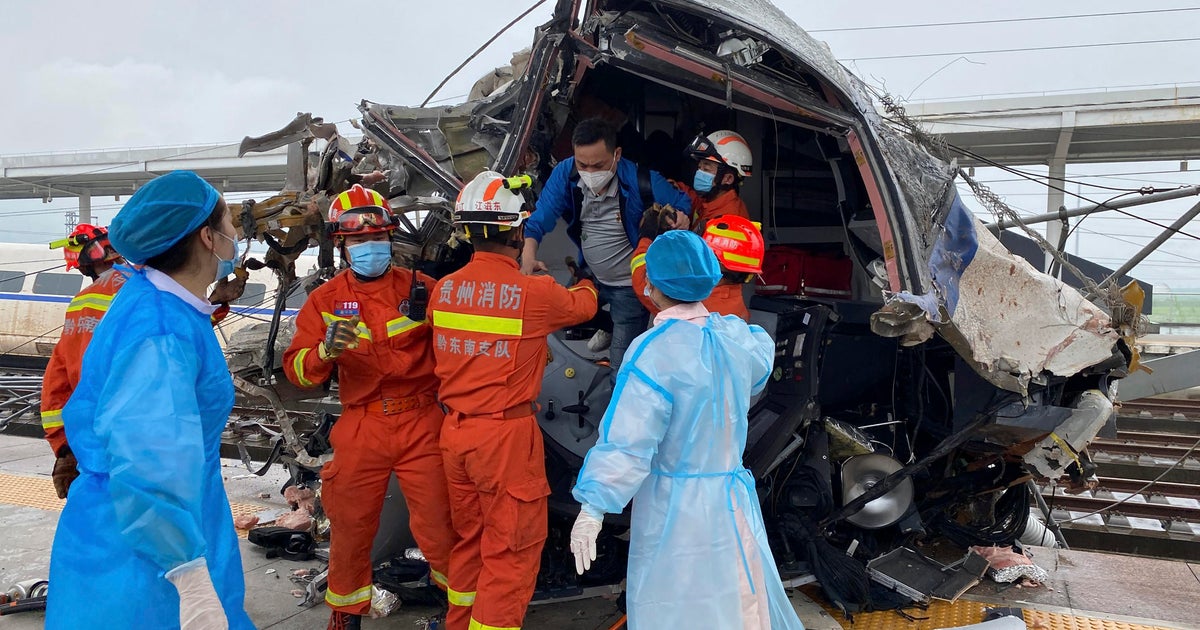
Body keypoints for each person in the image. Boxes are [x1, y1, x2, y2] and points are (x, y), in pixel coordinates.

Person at [46, 171, 254, 629]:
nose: (236, 234)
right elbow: (146, 459)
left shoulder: (160, 303)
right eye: (228, 223)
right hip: (147, 553)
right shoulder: (161, 328)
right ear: (207, 237)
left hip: (155, 525)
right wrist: (189, 574)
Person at [568, 230, 803, 630]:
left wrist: (593, 506)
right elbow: (758, 369)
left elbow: (628, 442)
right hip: (730, 504)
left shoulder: (653, 352)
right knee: (736, 606)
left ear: (650, 285)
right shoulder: (738, 338)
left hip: (673, 510)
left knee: (677, 608)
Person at [282, 184, 453, 630]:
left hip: (422, 420)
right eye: (359, 240)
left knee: (441, 526)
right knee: (352, 529)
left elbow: (459, 346)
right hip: (364, 423)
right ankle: (346, 616)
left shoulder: (424, 289)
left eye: (377, 239)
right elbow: (297, 373)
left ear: (390, 240)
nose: (369, 247)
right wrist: (323, 352)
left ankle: (459, 611)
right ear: (342, 245)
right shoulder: (324, 301)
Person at [432, 172, 598, 630]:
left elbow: (485, 312)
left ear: (468, 230)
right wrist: (582, 278)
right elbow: (583, 307)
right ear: (519, 230)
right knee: (513, 550)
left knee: (470, 540)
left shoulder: (443, 290)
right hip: (504, 439)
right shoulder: (536, 293)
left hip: (456, 434)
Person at [41, 225, 246, 500]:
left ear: (85, 265)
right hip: (148, 440)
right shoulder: (148, 286)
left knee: (105, 522)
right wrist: (214, 303)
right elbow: (173, 340)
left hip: (93, 439)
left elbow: (56, 379)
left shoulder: (81, 302)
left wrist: (64, 449)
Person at [521, 116, 690, 373]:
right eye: (583, 165)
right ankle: (609, 326)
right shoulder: (565, 174)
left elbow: (683, 203)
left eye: (598, 165)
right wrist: (528, 255)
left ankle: (615, 400)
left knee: (622, 366)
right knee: (556, 317)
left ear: (617, 154)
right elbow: (539, 218)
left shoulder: (643, 181)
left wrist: (682, 217)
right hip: (589, 276)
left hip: (628, 286)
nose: (589, 173)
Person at [631, 214, 765, 321]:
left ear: (714, 263)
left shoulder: (696, 301)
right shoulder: (732, 299)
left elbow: (644, 282)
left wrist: (647, 237)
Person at [680, 129, 754, 227]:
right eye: (699, 167)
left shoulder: (729, 221)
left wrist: (682, 232)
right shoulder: (710, 199)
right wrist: (671, 186)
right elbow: (692, 198)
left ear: (728, 179)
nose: (699, 173)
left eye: (706, 169)